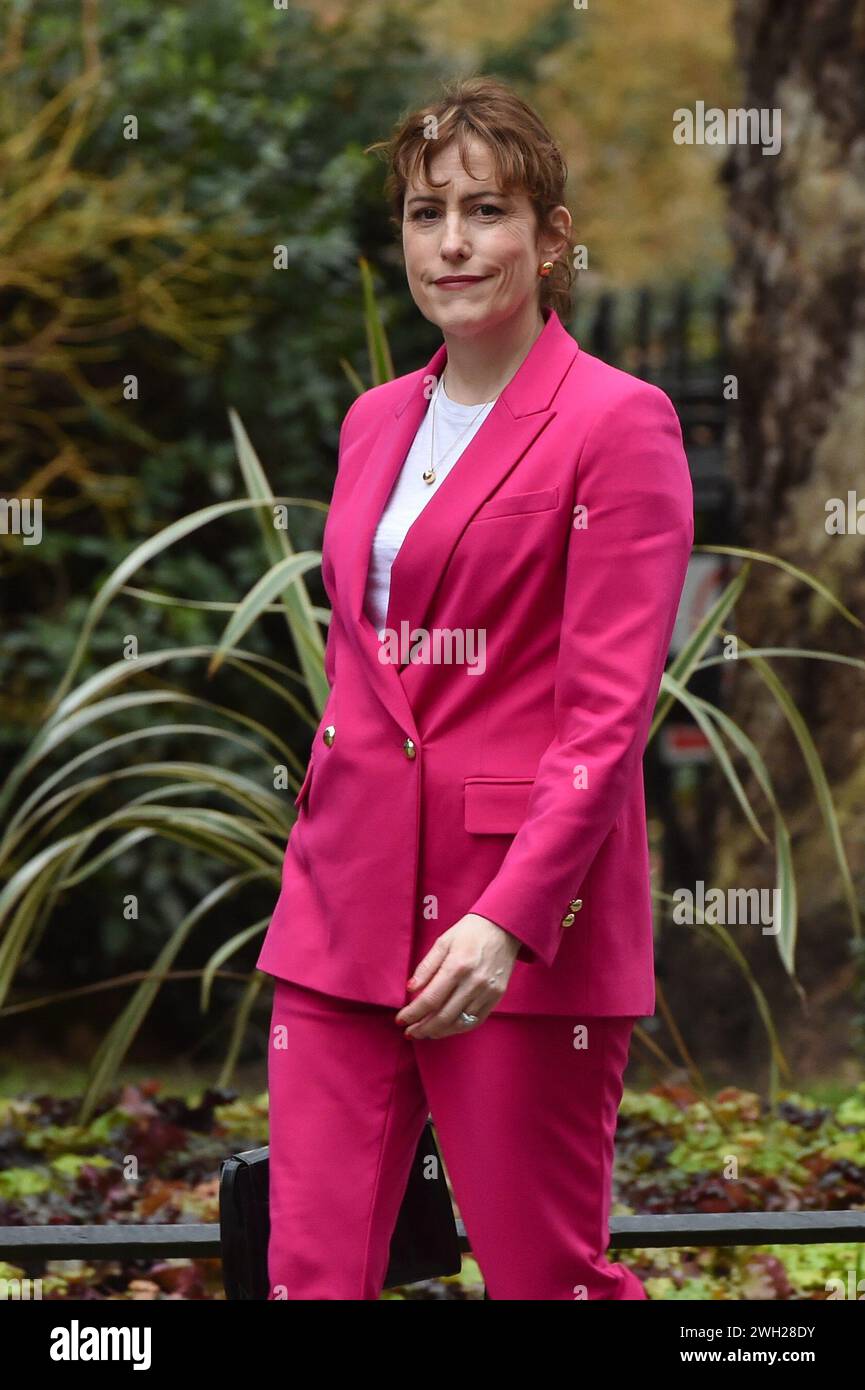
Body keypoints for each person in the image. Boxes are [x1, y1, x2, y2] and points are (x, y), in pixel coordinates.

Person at [256, 74, 694, 1300]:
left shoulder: (620, 424)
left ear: (551, 238)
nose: (451, 243)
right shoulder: (371, 422)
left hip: (515, 925)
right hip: (343, 910)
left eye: (486, 210)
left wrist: (508, 918)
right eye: (423, 212)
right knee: (308, 1274)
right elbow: (364, 672)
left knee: (541, 1277)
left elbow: (605, 718)